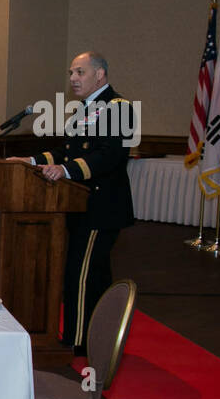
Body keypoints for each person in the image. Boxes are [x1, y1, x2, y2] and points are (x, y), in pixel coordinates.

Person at [7, 50, 134, 355]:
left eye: (80, 73)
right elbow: (66, 151)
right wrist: (31, 160)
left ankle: (76, 341)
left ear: (99, 75)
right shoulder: (85, 108)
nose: (73, 79)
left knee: (79, 275)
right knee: (96, 275)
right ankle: (100, 336)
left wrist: (65, 171)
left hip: (101, 208)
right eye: (71, 74)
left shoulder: (118, 108)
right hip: (79, 205)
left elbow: (109, 156)